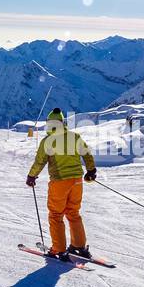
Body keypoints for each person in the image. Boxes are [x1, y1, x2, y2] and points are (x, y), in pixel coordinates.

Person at [26, 108, 97, 260]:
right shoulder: (74, 137)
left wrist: (32, 176)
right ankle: (79, 246)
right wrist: (91, 170)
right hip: (77, 181)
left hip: (60, 181)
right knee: (73, 212)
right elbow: (87, 154)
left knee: (56, 215)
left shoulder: (48, 141)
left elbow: (40, 162)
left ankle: (58, 249)